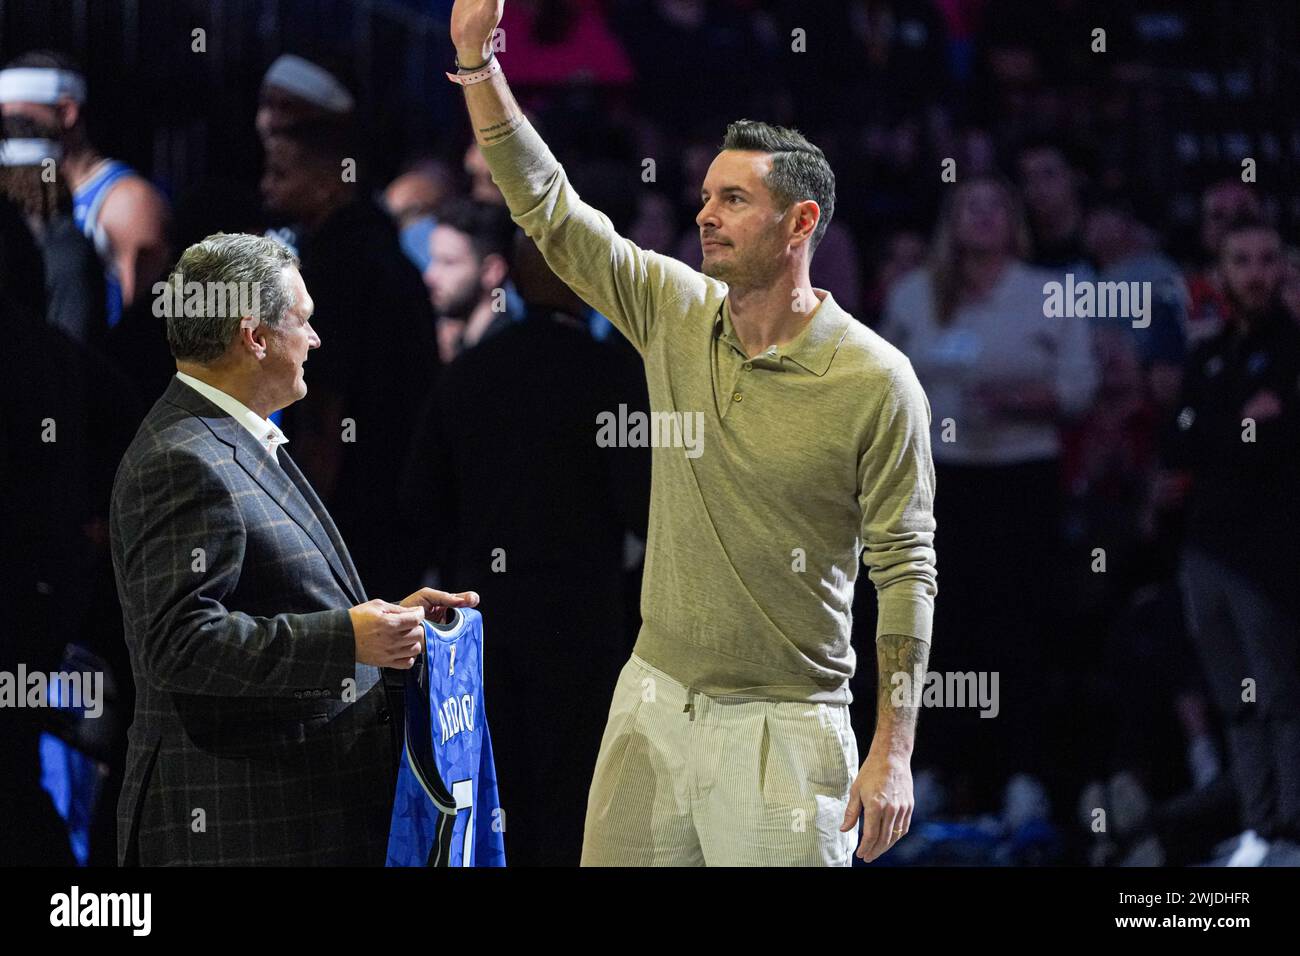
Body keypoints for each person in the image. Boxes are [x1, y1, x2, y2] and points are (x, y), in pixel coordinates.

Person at [447, 0, 938, 867]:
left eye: (734, 199)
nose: (705, 213)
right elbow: (551, 212)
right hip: (652, 699)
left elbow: (906, 569)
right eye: (707, 195)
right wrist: (477, 66)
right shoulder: (677, 309)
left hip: (786, 725)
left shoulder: (878, 380)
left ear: (801, 224)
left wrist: (892, 752)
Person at [109, 232, 477, 865]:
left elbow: (274, 600)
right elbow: (180, 645)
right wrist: (345, 640)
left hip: (277, 821)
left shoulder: (229, 436)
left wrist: (383, 625)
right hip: (233, 829)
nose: (315, 341)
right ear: (254, 337)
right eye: (303, 321)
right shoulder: (181, 458)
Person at [403, 231, 651, 864]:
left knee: (489, 790)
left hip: (480, 623)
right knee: (572, 797)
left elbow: (422, 505)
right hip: (580, 621)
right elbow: (643, 507)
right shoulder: (610, 375)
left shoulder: (471, 368)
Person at [880, 175, 1097, 820]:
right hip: (938, 482)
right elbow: (880, 379)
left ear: (1013, 222)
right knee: (941, 627)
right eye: (969, 206)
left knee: (1019, 623)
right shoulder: (916, 294)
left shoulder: (1048, 293)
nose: (981, 218)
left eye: (994, 206)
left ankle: (1024, 772)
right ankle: (943, 768)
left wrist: (1017, 400)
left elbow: (1081, 388)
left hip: (1020, 478)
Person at [1161, 216, 1300, 867]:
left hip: (1271, 552)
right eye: (1241, 260)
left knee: (1280, 696)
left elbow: (1274, 441)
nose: (1255, 272)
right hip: (1205, 550)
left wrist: (1228, 429)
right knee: (1235, 698)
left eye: (1267, 258)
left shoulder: (1295, 350)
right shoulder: (1209, 354)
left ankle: (1291, 833)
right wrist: (1238, 422)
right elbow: (1177, 444)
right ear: (1221, 273)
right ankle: (1259, 826)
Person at [260, 117, 440, 603]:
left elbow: (324, 406)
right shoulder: (385, 256)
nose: (265, 187)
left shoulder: (338, 266)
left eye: (280, 174)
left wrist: (305, 526)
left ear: (326, 182)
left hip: (354, 513)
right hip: (392, 506)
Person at [0, 50, 171, 329]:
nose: (8, 130)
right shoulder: (19, 195)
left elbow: (140, 329)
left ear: (66, 112)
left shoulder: (126, 200)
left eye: (18, 119)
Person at [422, 196, 518, 360]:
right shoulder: (456, 346)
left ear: (492, 271)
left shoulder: (504, 356)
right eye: (434, 260)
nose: (429, 277)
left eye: (448, 262)